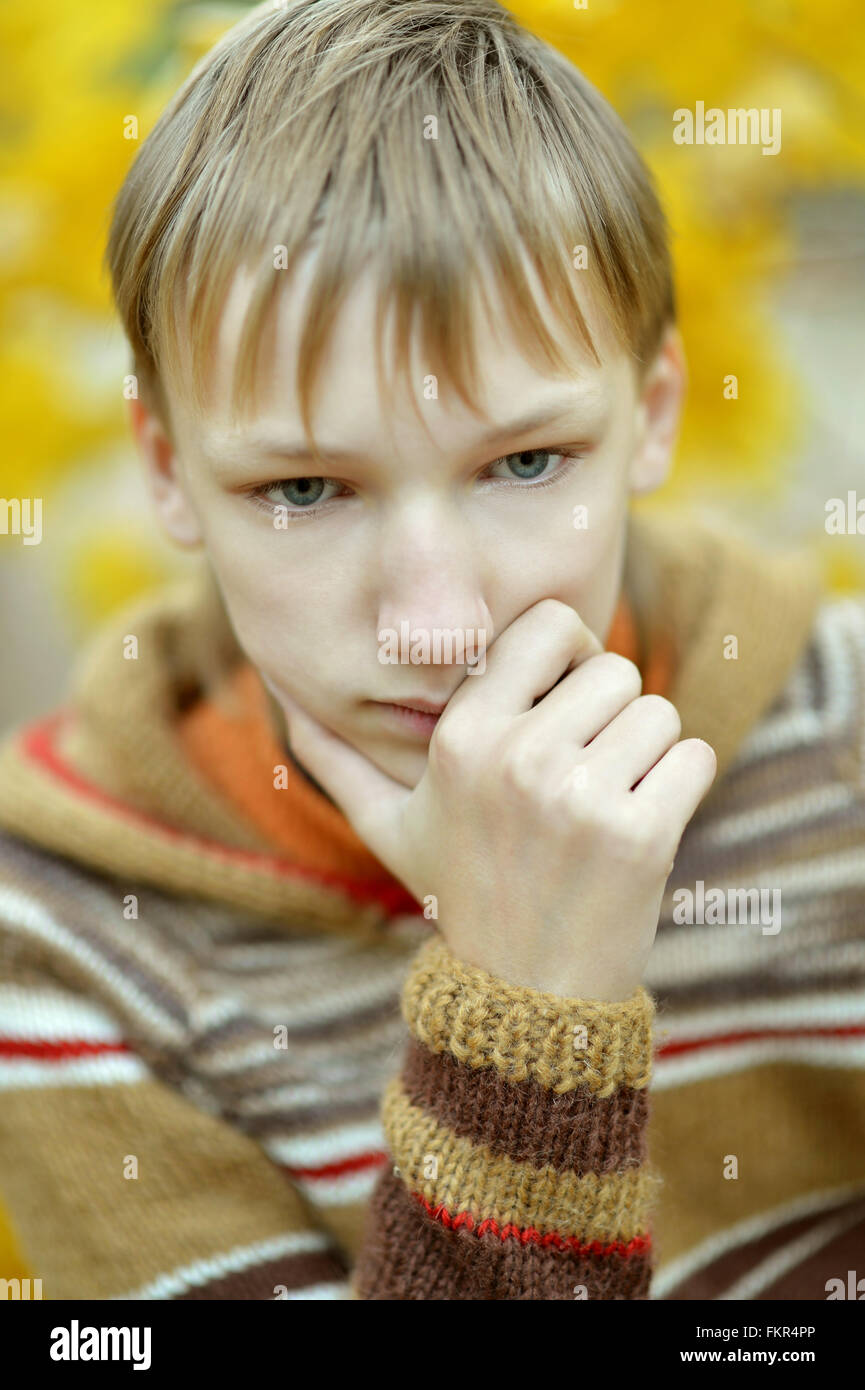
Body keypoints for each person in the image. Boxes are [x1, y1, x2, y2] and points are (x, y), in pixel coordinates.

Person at [1, 0, 863, 1301]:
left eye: (523, 461)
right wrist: (522, 1005)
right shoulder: (58, 945)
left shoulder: (843, 732)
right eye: (303, 488)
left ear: (656, 413)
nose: (434, 623)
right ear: (167, 469)